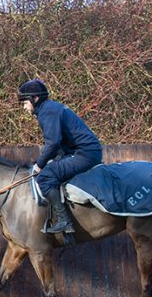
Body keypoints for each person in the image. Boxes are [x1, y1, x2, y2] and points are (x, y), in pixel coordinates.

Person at [18, 78, 102, 237]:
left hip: (85, 154)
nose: (24, 107)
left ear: (35, 98)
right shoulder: (49, 108)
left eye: (25, 102)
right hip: (80, 152)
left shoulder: (47, 112)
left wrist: (39, 165)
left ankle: (64, 221)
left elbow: (53, 143)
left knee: (45, 177)